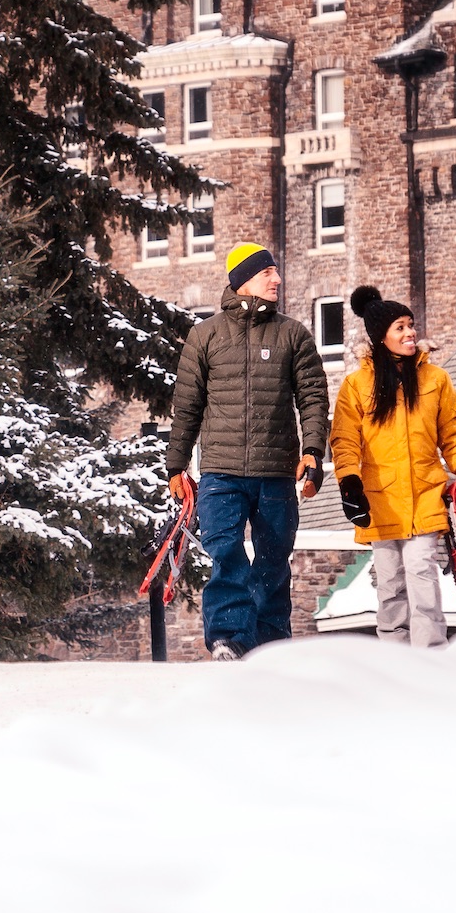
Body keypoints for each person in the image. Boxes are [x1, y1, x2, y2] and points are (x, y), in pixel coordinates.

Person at [166, 243, 330, 660]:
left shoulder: (294, 334)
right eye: (266, 273)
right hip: (220, 472)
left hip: (276, 473)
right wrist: (176, 465)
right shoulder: (205, 336)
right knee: (225, 552)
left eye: (276, 272)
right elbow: (186, 406)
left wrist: (313, 451)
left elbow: (313, 397)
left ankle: (270, 645)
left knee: (274, 561)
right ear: (242, 281)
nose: (277, 279)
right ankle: (229, 639)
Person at [328, 286, 456, 647]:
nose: (410, 333)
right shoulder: (356, 386)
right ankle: (394, 657)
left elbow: (452, 433)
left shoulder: (435, 380)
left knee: (421, 573)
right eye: (399, 327)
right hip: (379, 499)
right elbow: (345, 441)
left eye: (410, 325)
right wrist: (349, 483)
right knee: (390, 584)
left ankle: (430, 654)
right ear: (381, 337)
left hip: (425, 493)